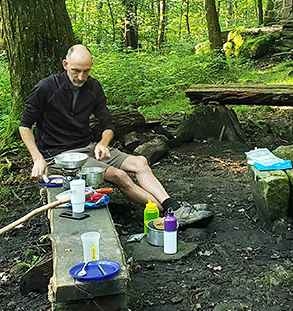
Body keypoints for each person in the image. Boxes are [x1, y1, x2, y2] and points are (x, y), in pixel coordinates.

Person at [19, 44, 180, 212]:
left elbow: (107, 124)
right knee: (119, 175)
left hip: (88, 147)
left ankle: (170, 204)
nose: (81, 77)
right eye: (76, 71)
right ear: (65, 65)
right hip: (60, 156)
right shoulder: (46, 88)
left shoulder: (93, 87)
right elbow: (25, 126)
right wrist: (37, 158)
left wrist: (103, 143)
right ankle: (168, 211)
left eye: (86, 71)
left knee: (140, 162)